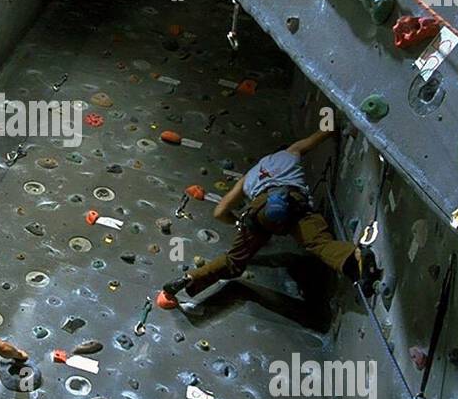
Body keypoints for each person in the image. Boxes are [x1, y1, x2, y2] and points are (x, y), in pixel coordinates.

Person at [158, 128, 380, 307]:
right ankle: (355, 259)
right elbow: (323, 132)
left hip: (257, 212)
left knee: (233, 262)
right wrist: (340, 127)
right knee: (319, 243)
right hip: (292, 201)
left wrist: (237, 222)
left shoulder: (248, 177)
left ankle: (191, 279)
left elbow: (219, 212)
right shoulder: (290, 153)